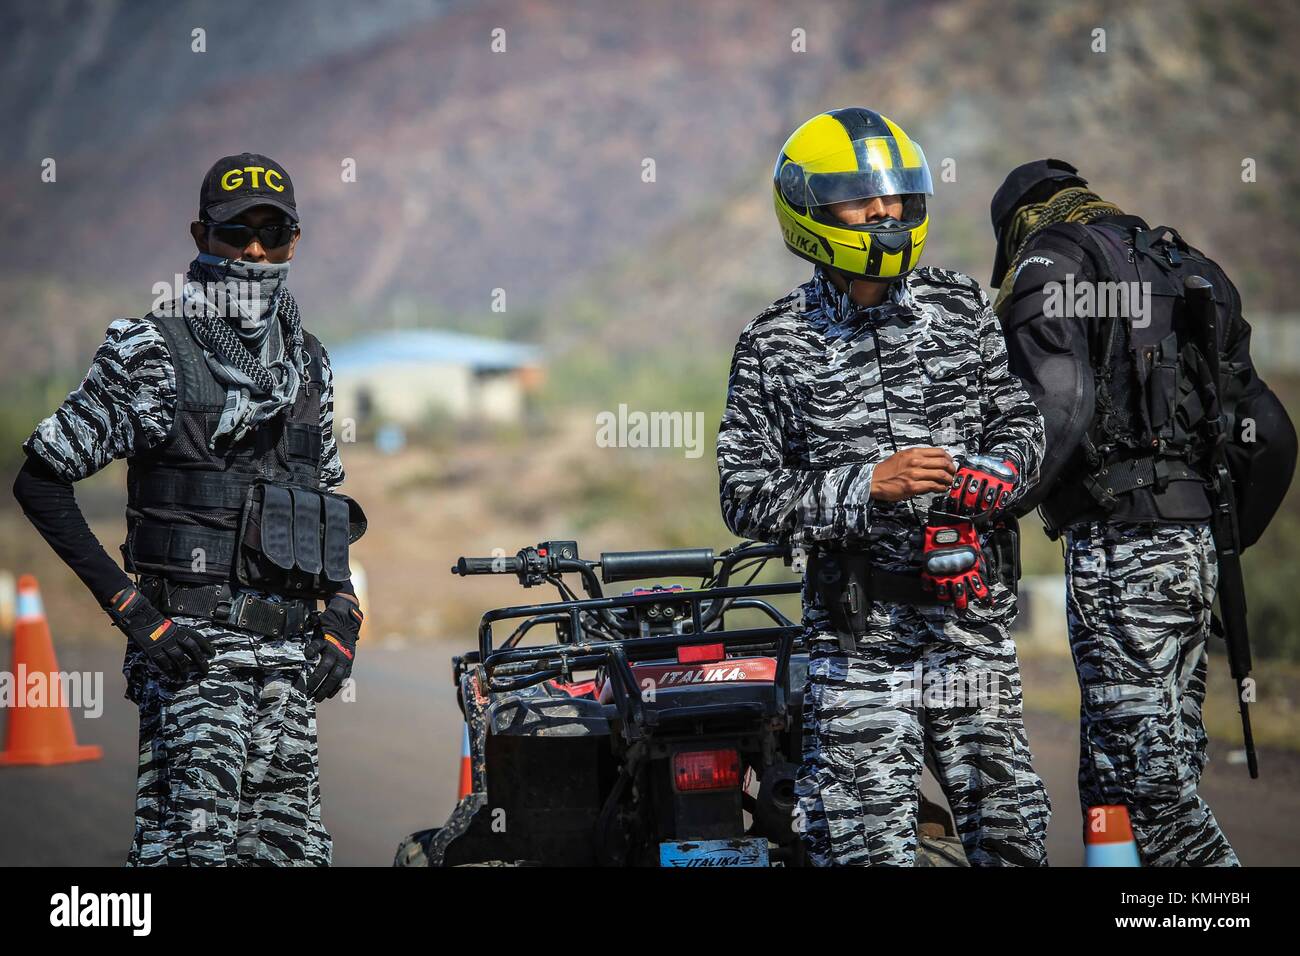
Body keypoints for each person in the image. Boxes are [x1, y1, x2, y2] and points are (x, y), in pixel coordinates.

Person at [13, 152, 367, 866]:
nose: (255, 251)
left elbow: (321, 506)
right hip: (195, 661)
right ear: (202, 236)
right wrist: (135, 612)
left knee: (292, 856)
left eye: (273, 232)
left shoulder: (310, 365)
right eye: (237, 235)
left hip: (289, 670)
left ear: (295, 240)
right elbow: (41, 479)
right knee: (191, 854)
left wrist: (342, 617)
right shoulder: (153, 351)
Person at [718, 108, 1050, 865]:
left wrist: (993, 477)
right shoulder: (775, 342)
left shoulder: (961, 307)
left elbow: (1022, 428)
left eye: (896, 196)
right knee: (867, 849)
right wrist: (868, 485)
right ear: (807, 209)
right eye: (860, 198)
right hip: (858, 644)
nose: (884, 212)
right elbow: (744, 495)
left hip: (972, 634)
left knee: (1013, 839)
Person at [989, 158, 1296, 865]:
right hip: (1192, 550)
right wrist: (1219, 549)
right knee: (1118, 779)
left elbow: (1057, 409)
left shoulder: (1051, 261)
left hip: (1120, 546)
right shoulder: (1186, 264)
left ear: (1015, 226)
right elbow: (1273, 437)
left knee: (1152, 797)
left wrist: (988, 506)